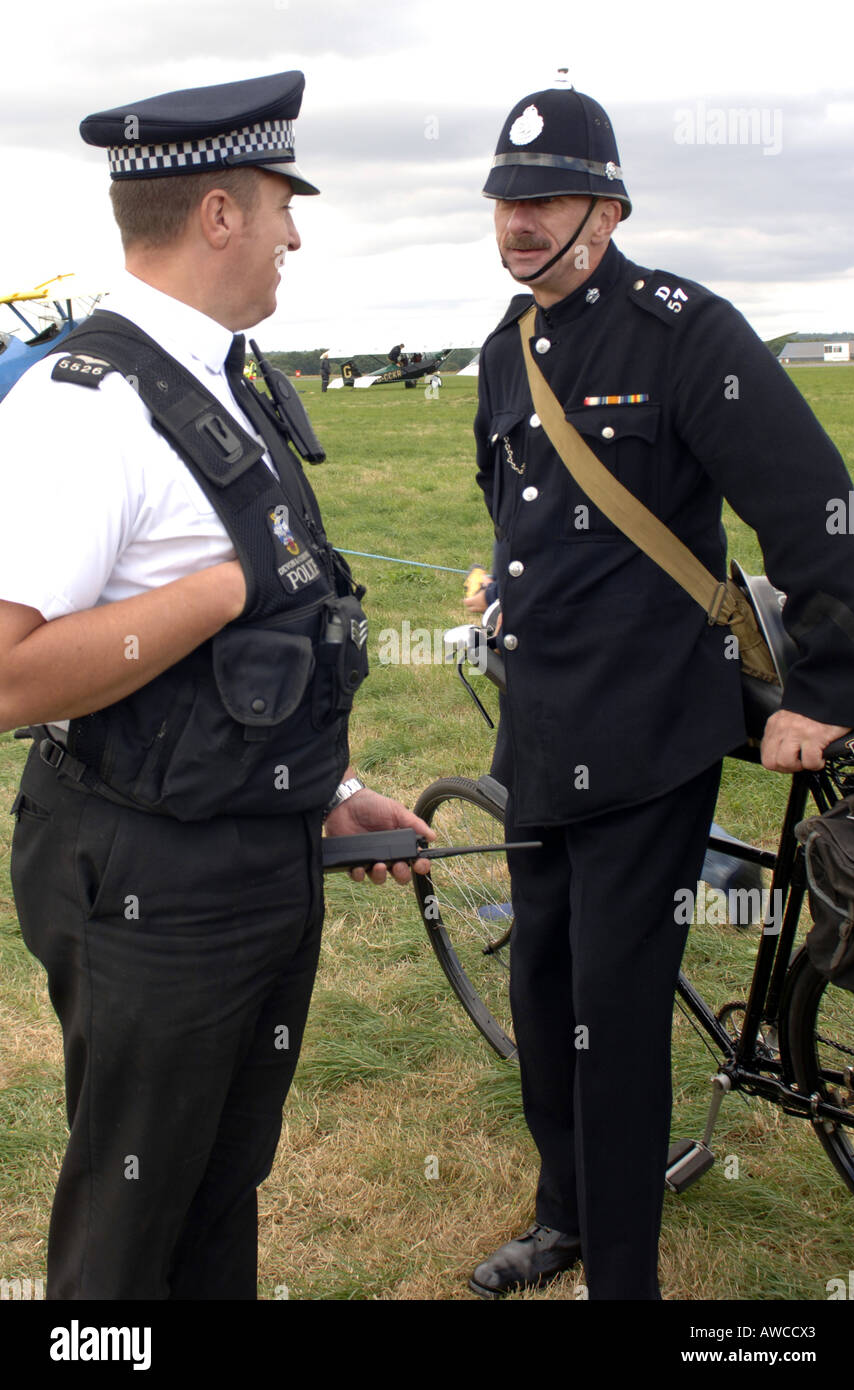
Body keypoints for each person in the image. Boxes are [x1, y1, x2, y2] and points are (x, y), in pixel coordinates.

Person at [0, 69, 431, 1301]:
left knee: (211, 1190)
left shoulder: (217, 382)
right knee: (131, 1232)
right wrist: (215, 590)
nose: (296, 231)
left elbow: (271, 640)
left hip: (249, 849)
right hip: (152, 873)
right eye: (282, 203)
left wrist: (330, 786)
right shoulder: (89, 405)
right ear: (220, 214)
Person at [468, 82, 854, 1300]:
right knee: (542, 985)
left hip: (648, 733)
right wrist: (500, 588)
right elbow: (530, 516)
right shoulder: (502, 349)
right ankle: (565, 1213)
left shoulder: (685, 331)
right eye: (503, 199)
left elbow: (818, 513)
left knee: (613, 1007)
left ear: (609, 207)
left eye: (544, 199)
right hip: (539, 727)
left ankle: (622, 1277)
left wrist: (832, 684)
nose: (518, 221)